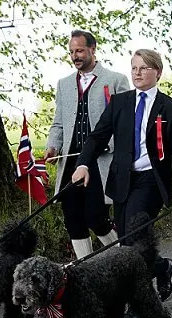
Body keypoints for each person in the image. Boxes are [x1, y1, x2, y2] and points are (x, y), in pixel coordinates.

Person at [72, 49, 172, 318]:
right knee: (128, 244)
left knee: (131, 242)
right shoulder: (120, 102)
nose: (137, 73)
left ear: (157, 73)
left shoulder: (171, 108)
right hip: (123, 180)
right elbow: (97, 135)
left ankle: (139, 307)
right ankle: (162, 266)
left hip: (152, 181)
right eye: (134, 68)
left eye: (143, 68)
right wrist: (83, 165)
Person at [46, 30, 130, 259]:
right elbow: (59, 122)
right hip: (71, 161)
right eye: (72, 52)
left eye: (80, 50)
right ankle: (86, 269)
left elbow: (126, 124)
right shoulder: (64, 84)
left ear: (93, 49)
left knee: (96, 217)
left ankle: (127, 261)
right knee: (72, 218)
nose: (75, 56)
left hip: (100, 161)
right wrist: (53, 146)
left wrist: (109, 144)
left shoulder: (116, 80)